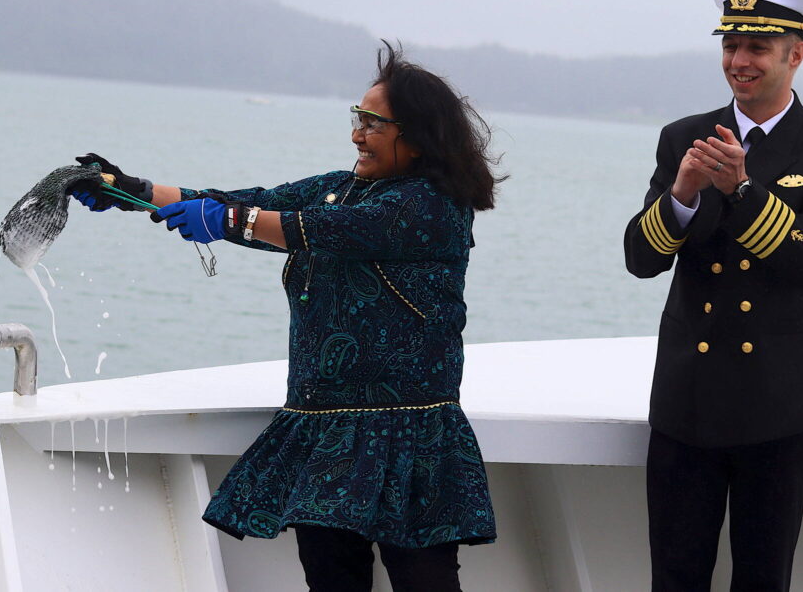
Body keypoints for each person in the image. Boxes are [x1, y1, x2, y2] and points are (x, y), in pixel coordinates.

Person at [70, 44, 502, 592]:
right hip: (324, 430)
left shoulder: (431, 207)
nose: (356, 134)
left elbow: (312, 229)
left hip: (410, 435)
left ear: (416, 136)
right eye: (357, 118)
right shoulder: (340, 189)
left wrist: (230, 220)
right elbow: (246, 201)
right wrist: (130, 190)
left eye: (372, 123)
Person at [623, 0, 803, 591]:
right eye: (730, 45)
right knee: (674, 578)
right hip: (688, 399)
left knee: (762, 579)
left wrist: (742, 191)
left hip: (778, 405)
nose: (739, 61)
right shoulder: (685, 137)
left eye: (758, 47)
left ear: (796, 54)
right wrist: (681, 194)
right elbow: (641, 259)